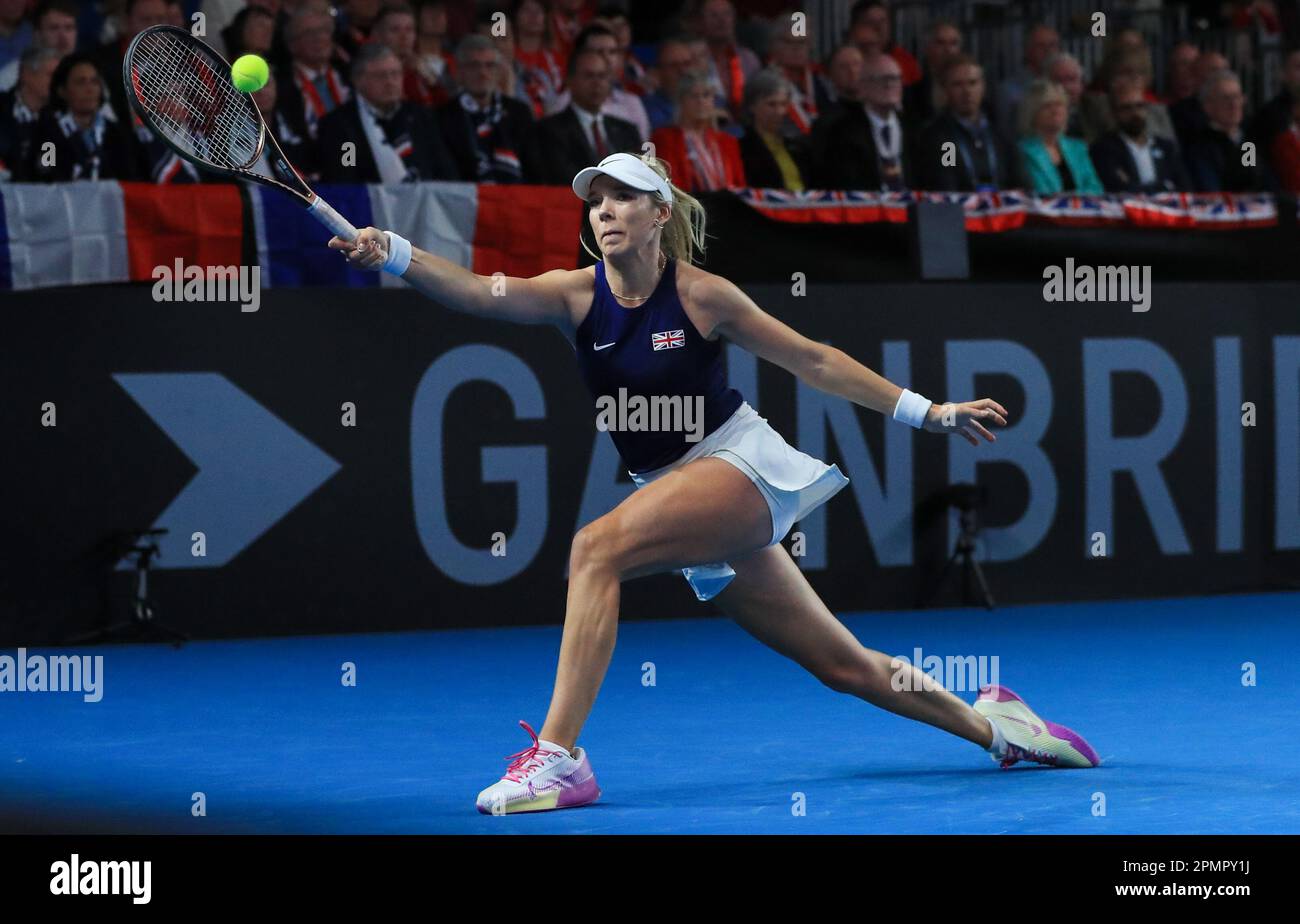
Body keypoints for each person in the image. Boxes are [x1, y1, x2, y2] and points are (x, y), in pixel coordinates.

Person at [327, 150, 1099, 815]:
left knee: (596, 549)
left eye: (622, 196)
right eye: (595, 201)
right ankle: (1001, 730)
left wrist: (930, 412)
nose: (605, 212)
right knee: (844, 665)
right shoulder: (574, 294)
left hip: (737, 468)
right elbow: (473, 289)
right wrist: (391, 248)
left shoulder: (703, 295)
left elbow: (816, 359)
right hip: (680, 493)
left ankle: (561, 759)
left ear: (659, 211)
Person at [315, 42, 457, 183]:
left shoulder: (422, 117)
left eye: (395, 74)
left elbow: (444, 170)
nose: (390, 82)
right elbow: (346, 175)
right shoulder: (342, 126)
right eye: (380, 76)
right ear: (358, 81)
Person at [26, 52, 143, 182]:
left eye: (95, 82)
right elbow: (44, 177)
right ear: (62, 90)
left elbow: (132, 182)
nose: (90, 89)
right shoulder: (46, 133)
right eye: (80, 82)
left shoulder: (120, 135)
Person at [531, 47, 639, 185]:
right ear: (570, 81)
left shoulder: (627, 130)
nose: (597, 83)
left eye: (602, 76)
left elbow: (637, 178)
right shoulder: (548, 130)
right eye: (589, 76)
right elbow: (561, 178)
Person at [437, 34, 534, 184]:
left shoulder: (519, 112)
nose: (482, 73)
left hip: (518, 200)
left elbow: (533, 168)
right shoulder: (441, 118)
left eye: (489, 65)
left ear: (498, 71)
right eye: (474, 66)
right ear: (459, 72)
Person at [819, 50, 915, 191]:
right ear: (861, 87)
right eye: (880, 79)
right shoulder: (841, 133)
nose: (889, 85)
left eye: (894, 78)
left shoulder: (916, 129)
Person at [915, 54, 1011, 192]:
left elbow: (1018, 182)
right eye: (958, 84)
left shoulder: (999, 135)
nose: (967, 91)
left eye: (972, 83)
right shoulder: (943, 138)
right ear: (945, 90)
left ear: (983, 86)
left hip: (1002, 210)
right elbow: (946, 183)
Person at [649, 69, 746, 192]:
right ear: (681, 102)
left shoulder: (728, 142)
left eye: (706, 95)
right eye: (693, 96)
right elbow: (667, 187)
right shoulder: (664, 139)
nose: (701, 101)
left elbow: (740, 187)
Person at [1089, 74, 1190, 193]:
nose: (1135, 113)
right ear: (1113, 112)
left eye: (1139, 106)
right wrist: (1164, 187)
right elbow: (1118, 189)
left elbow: (1185, 188)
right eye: (1126, 108)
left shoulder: (1167, 147)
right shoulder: (1103, 149)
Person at [1183, 68, 1267, 191]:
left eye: (1237, 97)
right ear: (1208, 106)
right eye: (1226, 98)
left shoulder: (1248, 141)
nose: (1234, 104)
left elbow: (1261, 181)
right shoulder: (1200, 145)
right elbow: (1210, 191)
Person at [1016, 78, 1103, 194]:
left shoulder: (1078, 148)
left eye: (1059, 104)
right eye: (1047, 106)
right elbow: (1040, 192)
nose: (1055, 111)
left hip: (1083, 211)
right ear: (1032, 113)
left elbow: (1096, 189)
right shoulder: (1024, 151)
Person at [737, 67, 808, 190]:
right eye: (771, 104)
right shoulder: (742, 148)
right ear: (752, 106)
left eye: (783, 104)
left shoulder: (798, 146)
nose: (779, 111)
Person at [0, 45, 58, 180]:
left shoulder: (56, 120)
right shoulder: (2, 108)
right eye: (51, 75)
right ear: (26, 75)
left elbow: (48, 168)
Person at [0, 0, 78, 93]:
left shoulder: (90, 73)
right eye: (54, 28)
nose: (62, 36)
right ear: (37, 35)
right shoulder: (10, 78)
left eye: (69, 28)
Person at [905, 18, 962, 126]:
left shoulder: (972, 86)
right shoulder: (913, 92)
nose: (948, 49)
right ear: (927, 47)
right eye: (941, 43)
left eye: (953, 43)